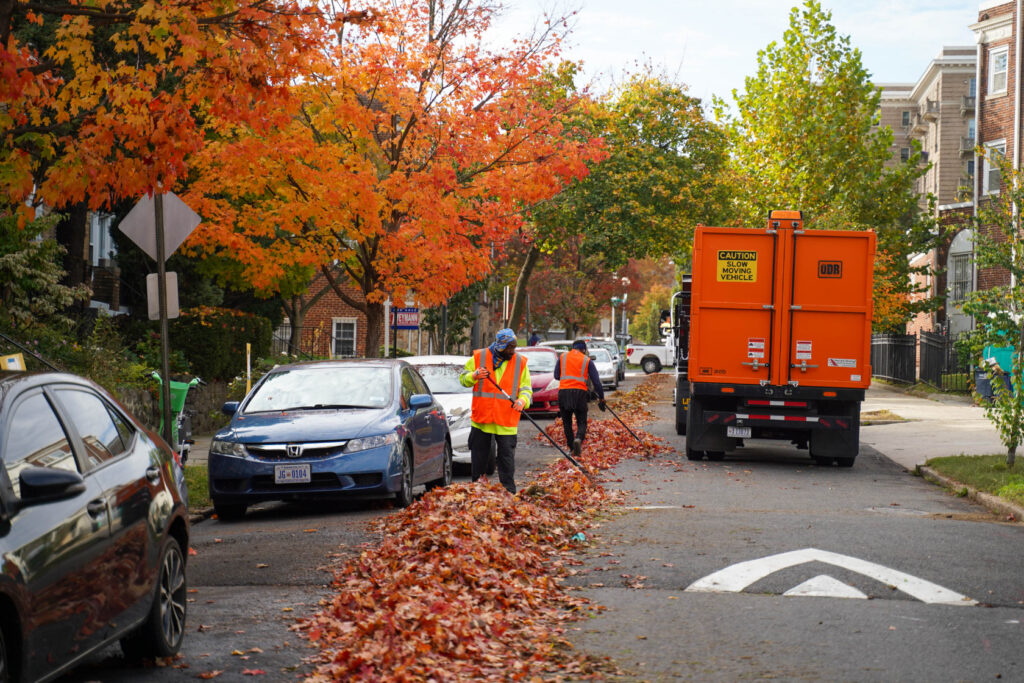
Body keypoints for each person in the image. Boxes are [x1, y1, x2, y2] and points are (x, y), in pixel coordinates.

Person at [459, 328, 532, 493]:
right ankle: (477, 492)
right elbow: (463, 379)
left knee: (507, 462)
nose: (512, 351)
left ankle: (508, 493)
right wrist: (474, 375)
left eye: (514, 347)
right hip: (482, 419)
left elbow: (526, 389)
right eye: (509, 347)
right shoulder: (479, 357)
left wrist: (523, 401)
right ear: (500, 346)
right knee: (479, 462)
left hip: (506, 420)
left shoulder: (520, 362)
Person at [554, 339, 606, 459]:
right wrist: (601, 398)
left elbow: (556, 376)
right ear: (584, 349)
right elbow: (596, 382)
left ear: (573, 348)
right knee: (581, 421)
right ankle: (578, 439)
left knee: (567, 422)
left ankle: (572, 448)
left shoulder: (563, 357)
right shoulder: (587, 360)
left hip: (564, 393)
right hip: (580, 394)